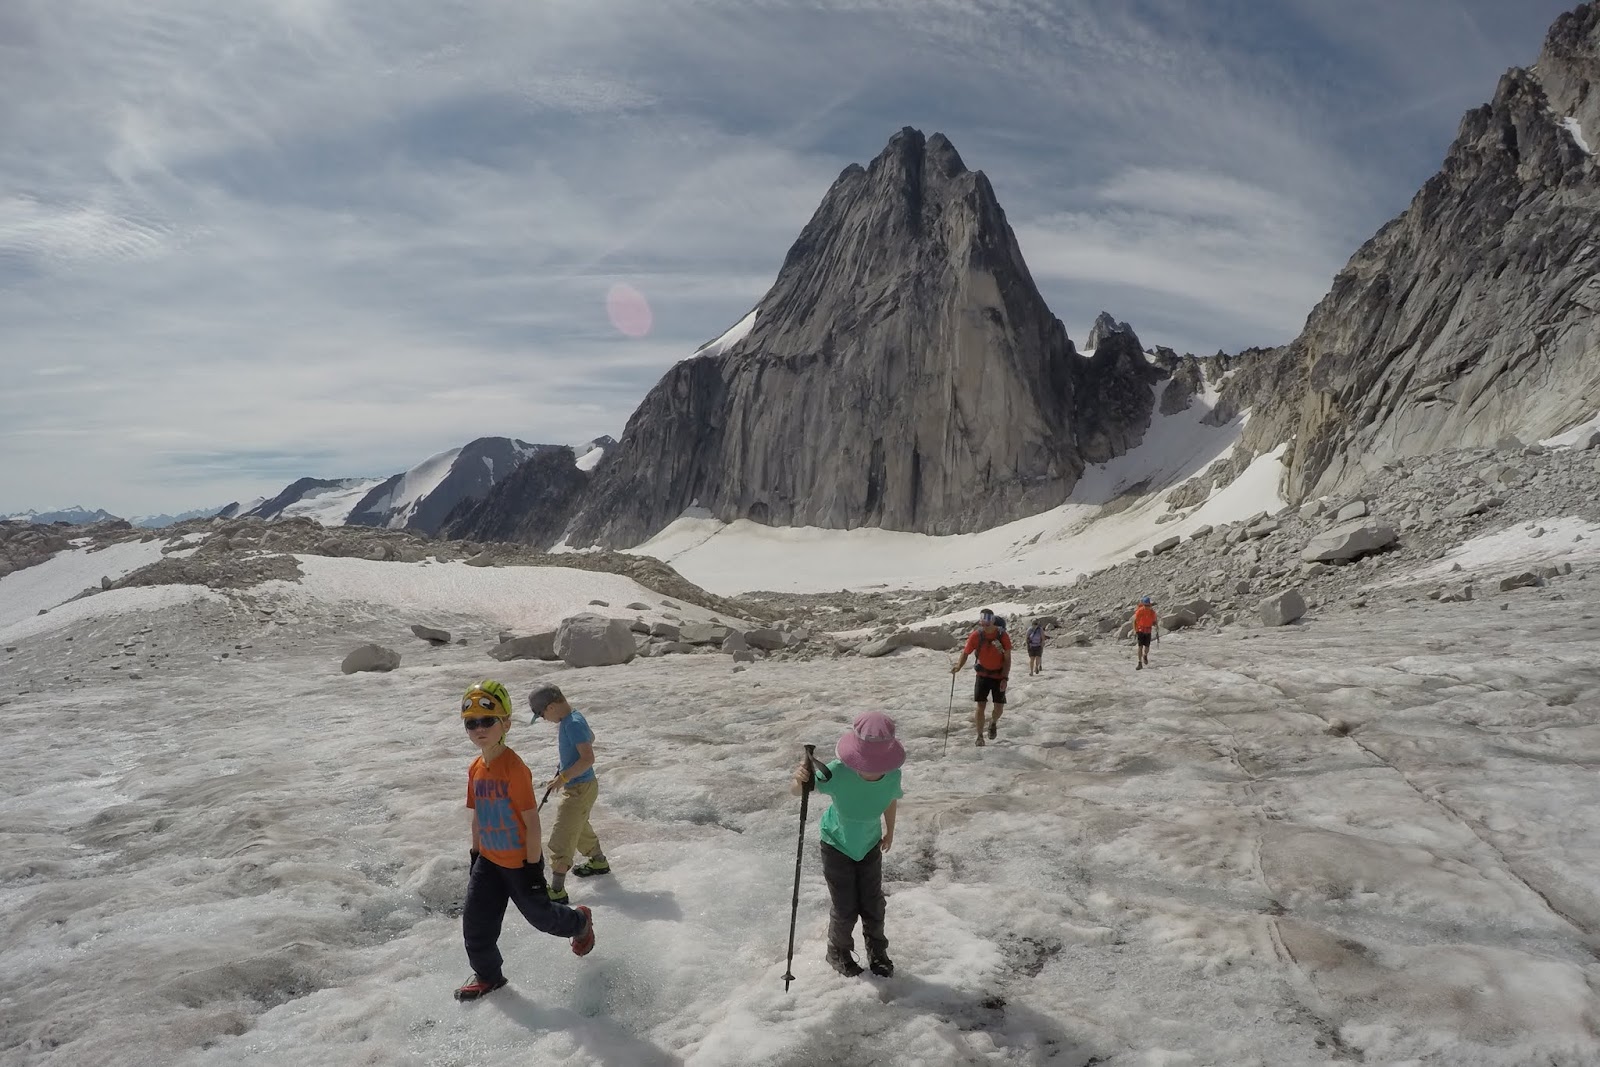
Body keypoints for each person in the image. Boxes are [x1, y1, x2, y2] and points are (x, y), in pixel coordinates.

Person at [454, 679, 595, 1001]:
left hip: (520, 863)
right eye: (471, 723)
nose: (479, 728)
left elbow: (532, 822)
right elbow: (478, 817)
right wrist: (476, 855)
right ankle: (488, 976)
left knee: (542, 917)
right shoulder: (475, 768)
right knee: (475, 924)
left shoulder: (514, 768)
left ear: (505, 723)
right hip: (488, 861)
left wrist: (532, 870)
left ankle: (579, 921)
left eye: (487, 720)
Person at [790, 711, 905, 979]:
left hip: (869, 844)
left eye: (878, 763)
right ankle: (837, 951)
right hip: (836, 844)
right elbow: (799, 792)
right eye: (867, 762)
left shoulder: (892, 775)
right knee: (845, 907)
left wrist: (890, 830)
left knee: (873, 904)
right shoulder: (838, 772)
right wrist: (799, 779)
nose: (872, 768)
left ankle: (877, 952)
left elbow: (890, 800)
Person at [528, 684, 609, 904]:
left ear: (551, 707)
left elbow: (588, 758)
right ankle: (598, 861)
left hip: (579, 787)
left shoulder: (572, 723)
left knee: (562, 835)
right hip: (582, 785)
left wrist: (563, 777)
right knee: (579, 827)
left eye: (542, 715)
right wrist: (566, 766)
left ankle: (557, 890)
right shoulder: (572, 719)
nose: (544, 719)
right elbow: (590, 738)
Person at [950, 608, 1011, 745]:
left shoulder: (1003, 636)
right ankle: (979, 737)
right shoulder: (976, 636)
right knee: (980, 705)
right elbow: (966, 653)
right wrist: (958, 666)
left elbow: (1007, 658)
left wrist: (1005, 678)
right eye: (983, 624)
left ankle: (993, 722)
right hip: (982, 674)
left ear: (992, 622)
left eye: (987, 624)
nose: (985, 627)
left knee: (999, 707)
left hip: (998, 675)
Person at [1132, 597, 1159, 670]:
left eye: (1148, 605)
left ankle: (1145, 655)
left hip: (1148, 630)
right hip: (1140, 630)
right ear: (1143, 605)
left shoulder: (1152, 612)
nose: (1147, 607)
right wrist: (1134, 630)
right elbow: (1134, 621)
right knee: (1140, 646)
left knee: (1147, 647)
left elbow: (1154, 621)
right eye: (1145, 605)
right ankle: (1139, 662)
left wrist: (1156, 625)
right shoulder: (1140, 611)